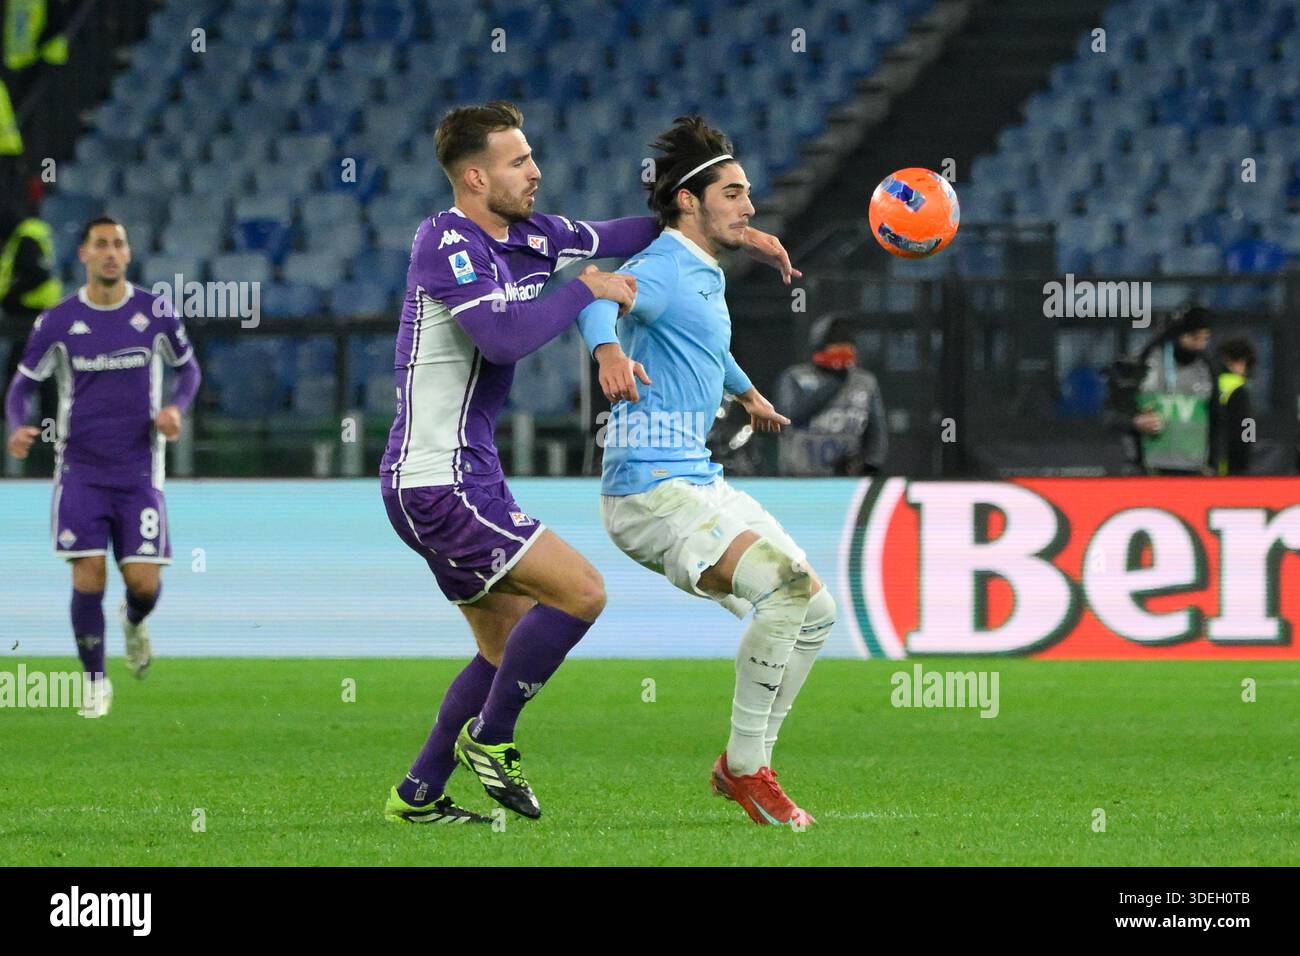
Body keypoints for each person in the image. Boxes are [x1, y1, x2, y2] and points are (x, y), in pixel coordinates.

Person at [379, 101, 800, 824]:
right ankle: (495, 740)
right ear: (475, 177)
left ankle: (417, 793)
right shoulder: (445, 241)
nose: (536, 172)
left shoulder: (536, 234)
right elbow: (502, 339)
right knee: (581, 592)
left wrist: (728, 231)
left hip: (462, 474)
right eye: (518, 162)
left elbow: (628, 234)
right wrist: (586, 289)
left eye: (533, 156)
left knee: (502, 648)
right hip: (438, 476)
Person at [578, 115, 829, 827]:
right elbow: (596, 290)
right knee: (782, 588)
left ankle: (741, 764)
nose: (750, 207)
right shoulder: (661, 267)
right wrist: (608, 355)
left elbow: (703, 344)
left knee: (816, 611)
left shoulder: (700, 272)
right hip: (649, 492)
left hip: (694, 476)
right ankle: (748, 769)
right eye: (735, 193)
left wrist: (747, 392)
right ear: (689, 200)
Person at [4, 217, 200, 717]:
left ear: (127, 254)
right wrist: (18, 424)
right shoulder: (58, 321)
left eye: (118, 244)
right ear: (84, 255)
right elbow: (23, 383)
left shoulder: (153, 312)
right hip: (80, 474)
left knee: (143, 583)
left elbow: (189, 369)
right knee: (88, 574)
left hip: (139, 476)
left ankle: (134, 622)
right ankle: (95, 681)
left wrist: (176, 409)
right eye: (101, 245)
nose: (111, 252)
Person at [774, 314, 887, 476]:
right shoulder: (795, 377)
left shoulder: (865, 382)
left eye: (847, 342)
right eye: (836, 342)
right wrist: (835, 383)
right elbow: (788, 416)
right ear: (820, 344)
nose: (843, 347)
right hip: (799, 480)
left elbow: (876, 434)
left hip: (847, 481)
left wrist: (869, 465)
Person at [1115, 306, 1221, 475]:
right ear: (1179, 335)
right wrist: (1135, 421)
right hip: (1150, 471)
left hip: (1196, 471)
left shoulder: (1207, 368)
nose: (1200, 345)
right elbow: (1114, 413)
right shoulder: (1147, 361)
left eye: (1205, 338)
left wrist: (1213, 464)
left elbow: (1217, 419)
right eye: (1194, 338)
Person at [1215, 336, 1256, 476]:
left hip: (1208, 463)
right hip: (1231, 467)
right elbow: (1246, 425)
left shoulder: (1210, 383)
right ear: (1241, 362)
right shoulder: (1238, 389)